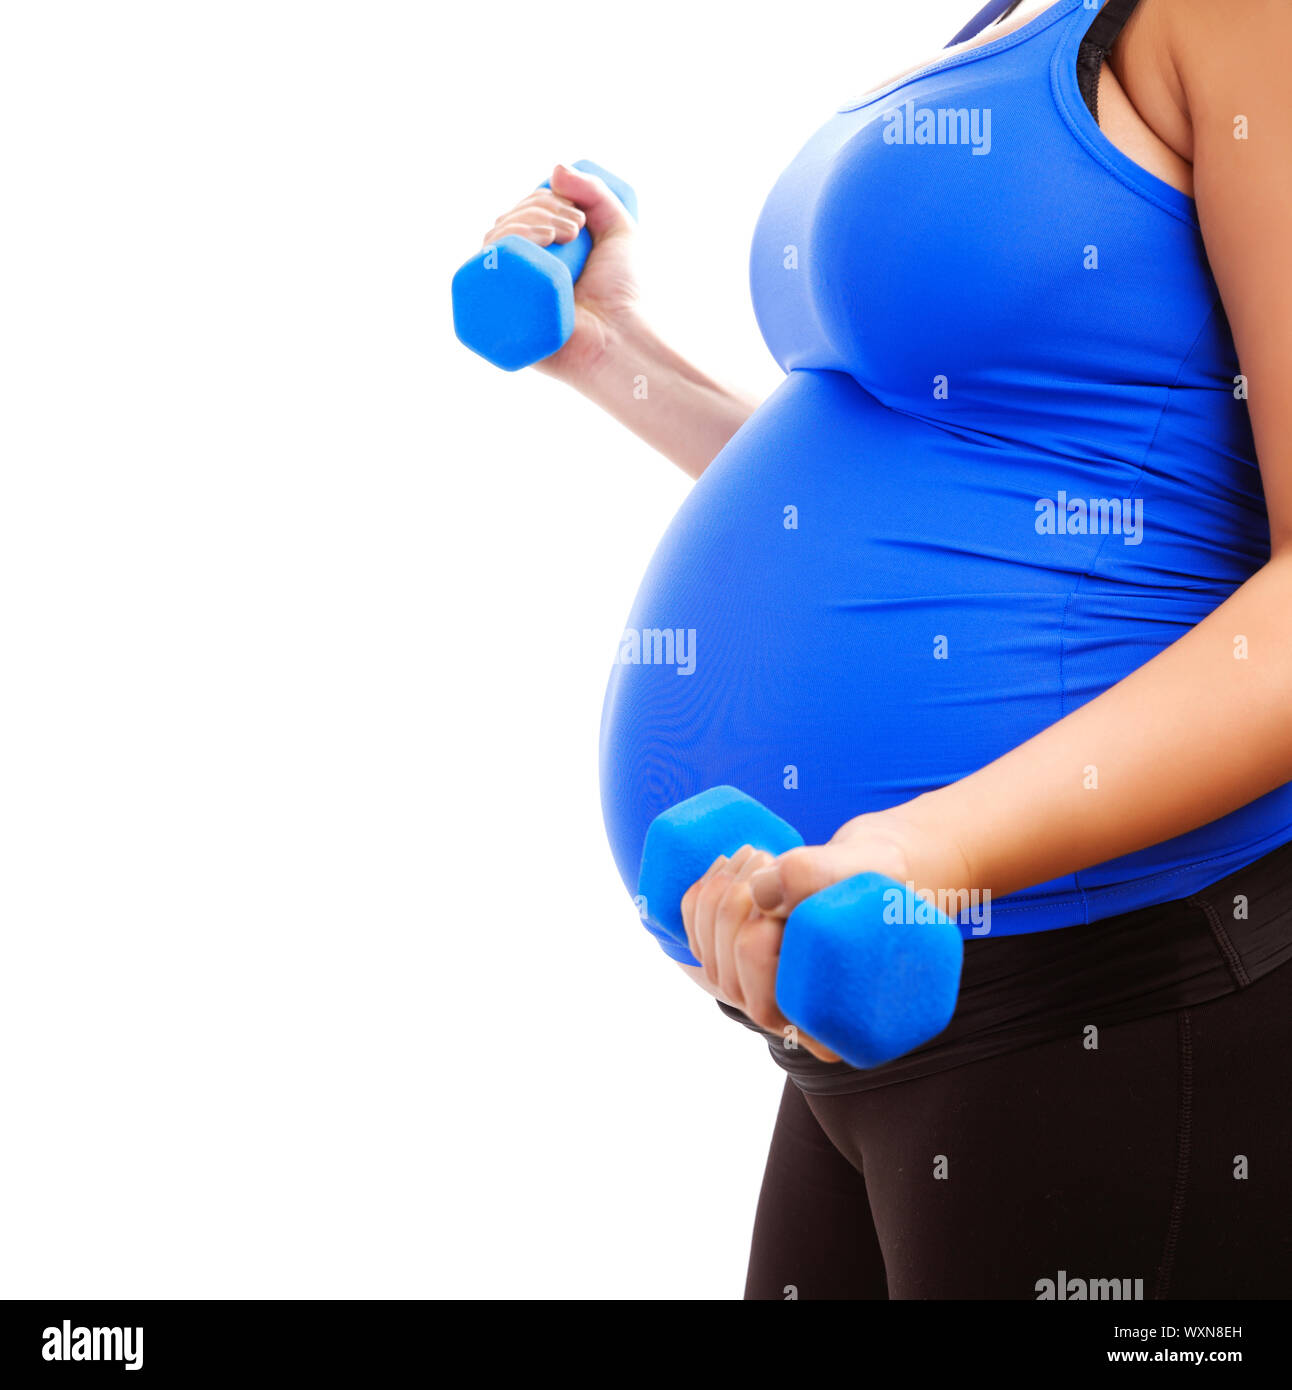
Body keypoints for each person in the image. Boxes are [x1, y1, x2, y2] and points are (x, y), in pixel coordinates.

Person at [475, 0, 1292, 1298]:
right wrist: (607, 347)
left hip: (1121, 993)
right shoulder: (1009, 22)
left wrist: (932, 847)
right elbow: (936, 481)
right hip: (863, 1004)